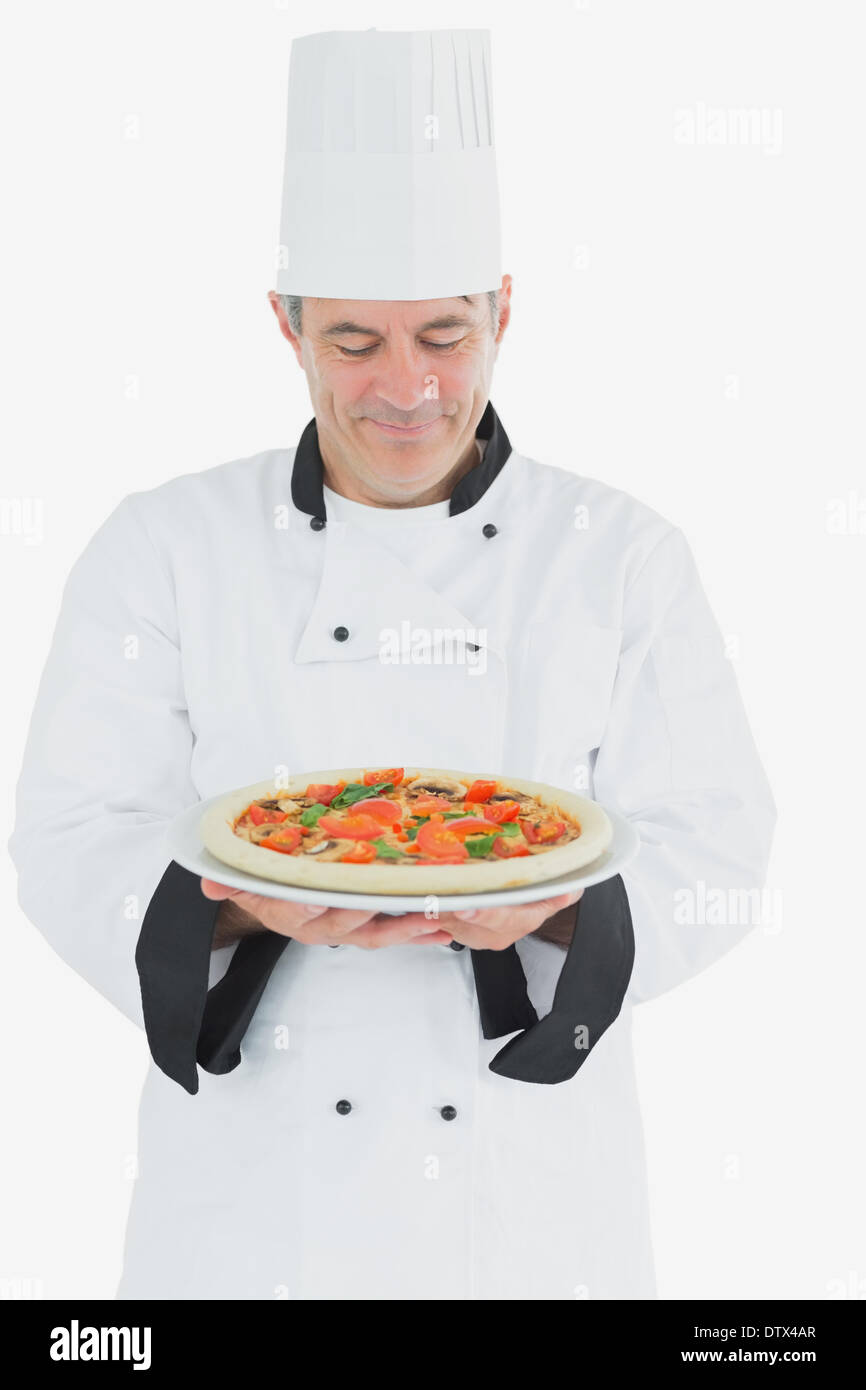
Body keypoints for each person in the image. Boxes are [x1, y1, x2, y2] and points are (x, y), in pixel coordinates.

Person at [8, 27, 775, 1300]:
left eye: (444, 334)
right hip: (251, 1213)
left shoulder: (622, 555)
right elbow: (68, 832)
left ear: (505, 312)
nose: (406, 389)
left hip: (528, 1204)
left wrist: (561, 907)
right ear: (285, 326)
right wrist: (243, 901)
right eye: (354, 343)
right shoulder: (164, 544)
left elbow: (719, 844)